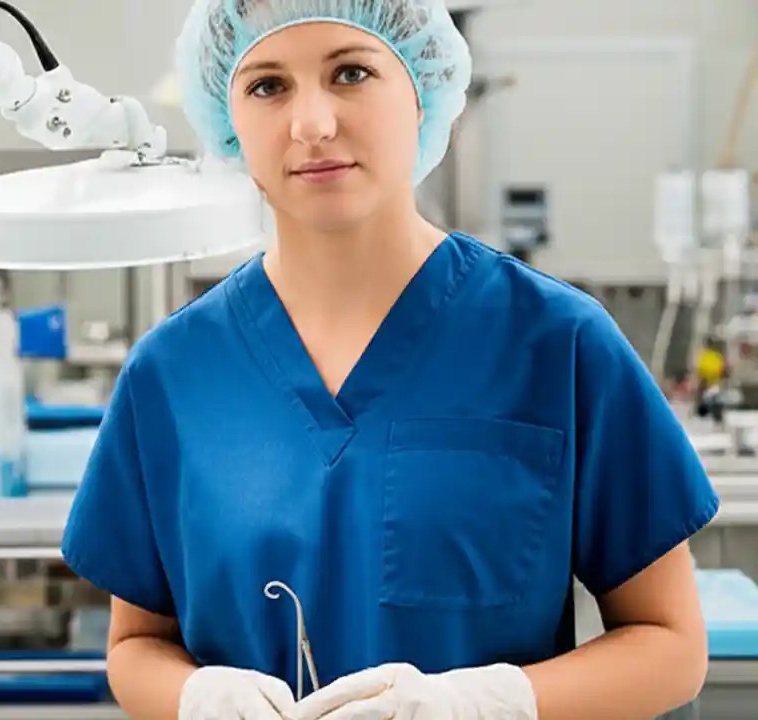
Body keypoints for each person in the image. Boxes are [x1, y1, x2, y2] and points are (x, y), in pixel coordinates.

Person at [60, 1, 720, 719]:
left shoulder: (557, 343)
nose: (312, 124)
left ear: (422, 92)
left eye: (350, 73)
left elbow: (671, 647)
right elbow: (135, 646)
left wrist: (487, 705)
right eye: (267, 86)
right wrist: (198, 697)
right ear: (228, 119)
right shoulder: (173, 372)